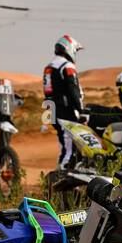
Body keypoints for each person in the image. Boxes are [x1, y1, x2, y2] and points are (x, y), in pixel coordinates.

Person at [43, 34, 85, 168]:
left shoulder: (49, 66)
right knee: (70, 149)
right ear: (69, 48)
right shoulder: (67, 66)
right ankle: (62, 180)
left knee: (64, 147)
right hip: (66, 111)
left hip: (52, 110)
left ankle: (57, 178)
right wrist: (81, 110)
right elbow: (74, 90)